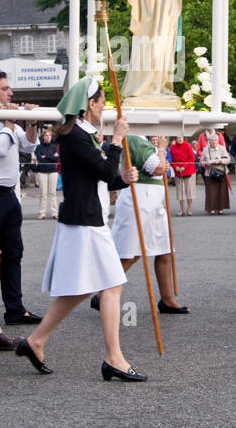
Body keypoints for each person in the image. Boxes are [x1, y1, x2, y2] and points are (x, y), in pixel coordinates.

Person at [15, 77, 145, 381]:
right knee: (111, 284)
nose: (104, 108)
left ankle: (36, 341)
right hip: (85, 220)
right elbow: (101, 170)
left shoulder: (83, 134)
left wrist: (122, 178)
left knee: (85, 287)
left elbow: (100, 177)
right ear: (90, 105)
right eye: (102, 102)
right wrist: (115, 143)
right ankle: (113, 357)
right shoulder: (75, 135)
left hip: (88, 217)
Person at [0, 70, 41, 325]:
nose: (10, 93)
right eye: (4, 89)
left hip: (10, 194)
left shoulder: (6, 120)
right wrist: (11, 122)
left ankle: (15, 309)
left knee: (13, 252)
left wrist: (32, 122)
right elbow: (0, 149)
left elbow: (30, 145)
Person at [102, 133, 188, 315]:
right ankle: (103, 293)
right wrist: (163, 150)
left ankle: (167, 299)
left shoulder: (145, 141)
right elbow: (158, 168)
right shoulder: (134, 139)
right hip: (138, 200)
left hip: (153, 202)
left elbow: (166, 170)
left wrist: (161, 155)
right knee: (130, 254)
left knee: (165, 250)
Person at [198, 129, 230, 215]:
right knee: (211, 192)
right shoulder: (205, 149)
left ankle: (220, 209)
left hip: (221, 172)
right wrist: (206, 164)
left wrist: (220, 160)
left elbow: (228, 159)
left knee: (221, 191)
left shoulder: (222, 148)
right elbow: (201, 162)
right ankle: (211, 208)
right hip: (210, 173)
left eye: (215, 140)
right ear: (209, 141)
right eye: (212, 140)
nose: (214, 142)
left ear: (218, 140)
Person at [34, 127, 59, 219]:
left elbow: (56, 158)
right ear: (43, 137)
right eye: (46, 135)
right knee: (43, 193)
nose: (48, 137)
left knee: (53, 193)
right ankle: (41, 213)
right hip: (42, 171)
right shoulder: (39, 147)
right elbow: (39, 158)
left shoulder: (54, 147)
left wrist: (46, 156)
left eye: (49, 136)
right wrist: (50, 157)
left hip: (53, 171)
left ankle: (55, 213)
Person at [168, 136, 197, 216]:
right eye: (178, 138)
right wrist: (175, 167)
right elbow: (171, 160)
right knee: (180, 192)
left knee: (189, 190)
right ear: (175, 139)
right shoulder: (173, 147)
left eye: (181, 137)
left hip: (188, 170)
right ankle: (181, 209)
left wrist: (184, 166)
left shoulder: (187, 145)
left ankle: (189, 209)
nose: (180, 139)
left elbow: (192, 158)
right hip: (178, 172)